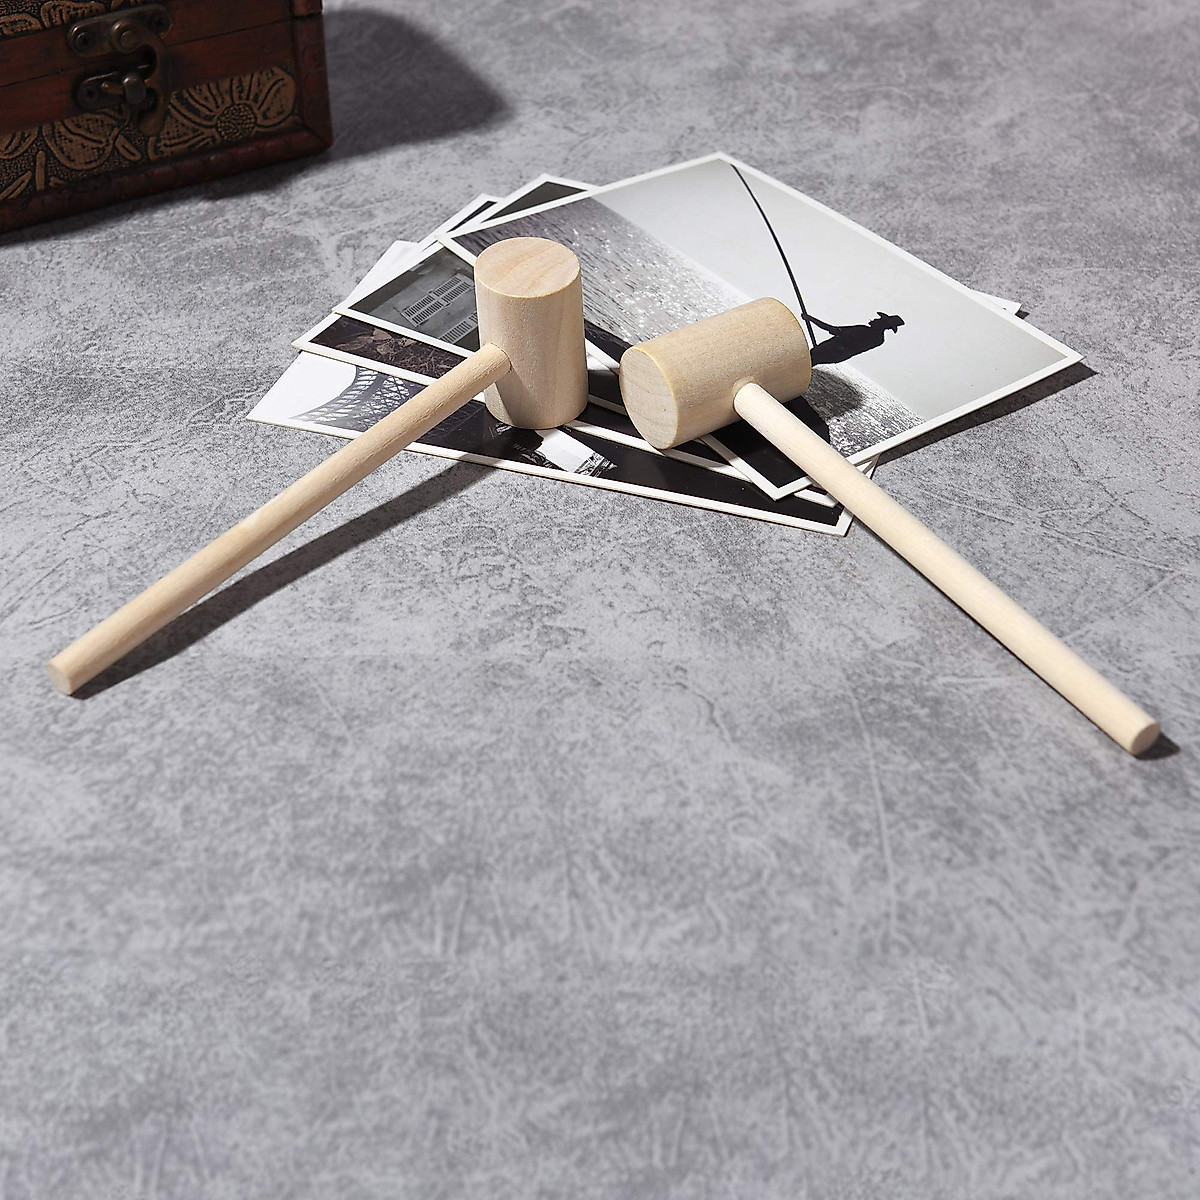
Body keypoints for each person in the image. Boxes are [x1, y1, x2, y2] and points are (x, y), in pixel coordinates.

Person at [808, 311, 904, 365]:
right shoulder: (879, 340)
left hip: (830, 351)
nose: (876, 319)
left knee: (807, 361)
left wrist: (810, 319)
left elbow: (833, 329)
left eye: (880, 320)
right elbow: (835, 330)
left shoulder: (864, 331)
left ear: (884, 324)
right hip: (836, 355)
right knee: (809, 362)